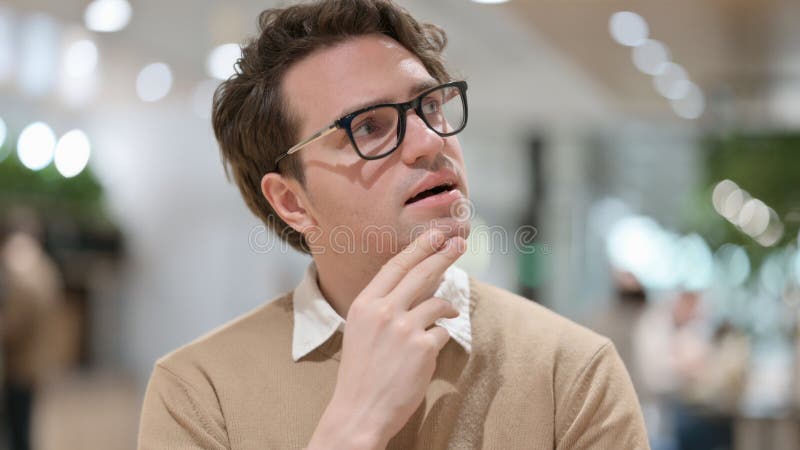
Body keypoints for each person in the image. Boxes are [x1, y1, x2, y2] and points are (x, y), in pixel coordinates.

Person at [137, 1, 649, 448]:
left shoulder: (571, 372)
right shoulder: (199, 393)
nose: (431, 140)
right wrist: (353, 428)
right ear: (291, 201)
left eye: (430, 105)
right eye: (368, 127)